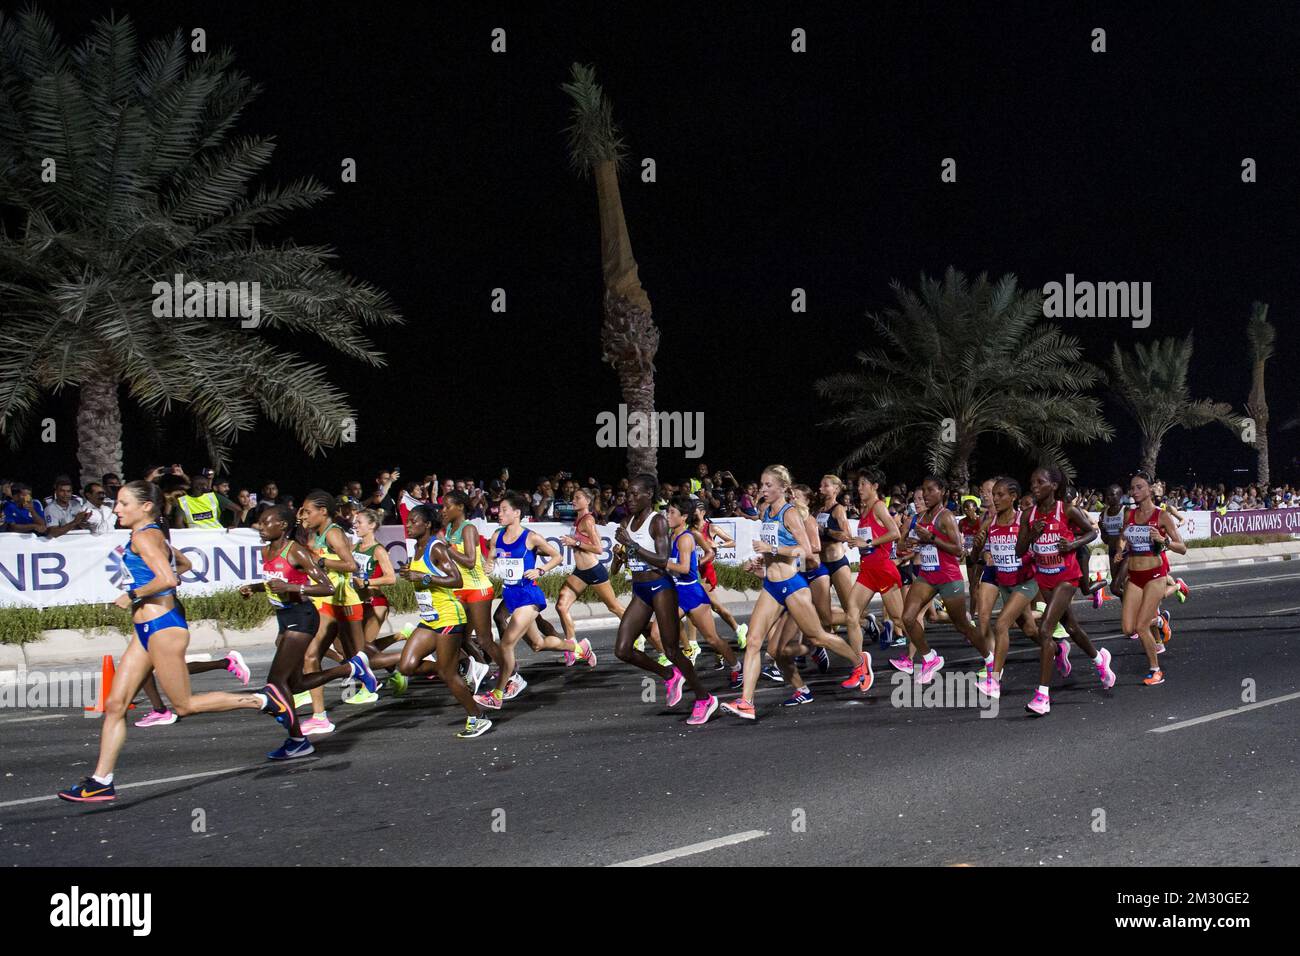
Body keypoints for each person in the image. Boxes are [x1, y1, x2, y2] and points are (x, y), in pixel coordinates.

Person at [57, 482, 306, 802]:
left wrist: (133, 594)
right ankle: (101, 781)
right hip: (145, 631)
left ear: (146, 506)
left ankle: (263, 700)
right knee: (116, 705)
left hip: (163, 628)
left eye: (123, 503)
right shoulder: (152, 535)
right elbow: (182, 565)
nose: (116, 509)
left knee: (183, 705)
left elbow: (170, 578)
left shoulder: (145, 536)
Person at [722, 466, 869, 720]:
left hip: (793, 585)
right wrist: (760, 561)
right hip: (772, 585)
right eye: (761, 484)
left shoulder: (790, 514)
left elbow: (806, 551)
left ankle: (859, 662)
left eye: (768, 485)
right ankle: (747, 702)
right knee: (755, 642)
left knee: (818, 636)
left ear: (782, 488)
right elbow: (772, 550)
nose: (763, 489)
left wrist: (774, 548)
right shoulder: (765, 511)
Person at [235, 505, 364, 758]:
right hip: (284, 619)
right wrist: (255, 587)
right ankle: (350, 669)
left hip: (302, 618)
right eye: (259, 523)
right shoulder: (266, 551)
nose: (260, 527)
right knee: (294, 683)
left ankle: (297, 739)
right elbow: (276, 583)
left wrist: (295, 589)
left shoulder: (295, 551)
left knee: (276, 683)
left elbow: (326, 587)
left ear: (282, 526)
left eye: (265, 523)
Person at [369, 505, 493, 738]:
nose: (408, 525)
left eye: (413, 522)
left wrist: (422, 577)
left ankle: (478, 718)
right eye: (408, 521)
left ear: (427, 525)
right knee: (407, 666)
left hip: (448, 616)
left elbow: (456, 580)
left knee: (447, 676)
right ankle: (464, 665)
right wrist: (411, 573)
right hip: (429, 618)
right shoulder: (417, 547)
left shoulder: (436, 547)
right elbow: (423, 577)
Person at [610, 475, 717, 724]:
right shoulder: (627, 522)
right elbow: (616, 569)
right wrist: (619, 554)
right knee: (622, 650)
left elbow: (662, 559)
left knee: (671, 649)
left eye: (636, 494)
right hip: (640, 590)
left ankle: (705, 699)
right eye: (628, 494)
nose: (630, 498)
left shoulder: (656, 521)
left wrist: (631, 545)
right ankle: (669, 675)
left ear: (649, 495)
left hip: (660, 587)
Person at [475, 493, 593, 710]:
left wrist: (540, 569)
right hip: (511, 596)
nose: (498, 513)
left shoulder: (531, 537)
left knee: (507, 642)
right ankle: (578, 648)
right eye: (498, 510)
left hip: (529, 597)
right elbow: (491, 559)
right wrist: (489, 566)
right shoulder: (497, 536)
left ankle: (498, 693)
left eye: (503, 510)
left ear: (517, 513)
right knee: (538, 644)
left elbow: (556, 556)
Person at [1017, 466, 1117, 716]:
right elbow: (1019, 551)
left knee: (1045, 630)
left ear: (1053, 485)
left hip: (1066, 577)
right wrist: (1031, 534)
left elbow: (1092, 532)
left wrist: (1072, 543)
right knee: (1071, 627)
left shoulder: (1067, 510)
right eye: (1032, 482)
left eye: (1040, 482)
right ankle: (1099, 659)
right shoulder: (1028, 515)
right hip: (1045, 578)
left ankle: (1042, 695)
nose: (1034, 486)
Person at [889, 476, 991, 684]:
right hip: (927, 575)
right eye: (923, 491)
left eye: (930, 490)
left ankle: (989, 659)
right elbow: (904, 547)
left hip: (947, 577)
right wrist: (910, 543)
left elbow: (958, 550)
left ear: (942, 492)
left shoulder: (946, 517)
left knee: (962, 625)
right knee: (908, 618)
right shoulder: (920, 517)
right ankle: (930, 658)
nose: (926, 495)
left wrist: (931, 538)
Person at [297, 490, 366, 734]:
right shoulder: (316, 533)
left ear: (323, 511)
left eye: (308, 511)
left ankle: (320, 715)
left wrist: (323, 563)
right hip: (324, 600)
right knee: (324, 652)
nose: (304, 515)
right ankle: (318, 707)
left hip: (338, 600)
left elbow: (351, 565)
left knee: (358, 654)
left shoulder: (333, 532)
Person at [974, 477, 1047, 700]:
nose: (995, 499)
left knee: (1002, 624)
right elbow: (976, 557)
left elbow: (1036, 548)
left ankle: (994, 680)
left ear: (1013, 497)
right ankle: (1055, 648)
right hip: (1005, 582)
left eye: (1000, 495)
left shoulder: (1023, 520)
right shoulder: (989, 524)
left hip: (1025, 580)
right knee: (1029, 629)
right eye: (993, 495)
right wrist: (978, 549)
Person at [665, 496, 741, 688]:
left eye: (671, 512)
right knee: (661, 633)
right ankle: (684, 661)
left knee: (712, 639)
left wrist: (695, 563)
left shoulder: (690, 536)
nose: (667, 515)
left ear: (683, 516)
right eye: (667, 511)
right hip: (676, 591)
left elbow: (708, 553)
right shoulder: (669, 535)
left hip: (692, 592)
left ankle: (736, 667)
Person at [1120, 472, 1187, 686]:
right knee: (1128, 628)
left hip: (1155, 576)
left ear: (1150, 489)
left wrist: (1163, 541)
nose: (1135, 492)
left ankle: (1155, 670)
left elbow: (1182, 548)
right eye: (1132, 488)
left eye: (1139, 487)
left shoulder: (1162, 516)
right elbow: (1124, 537)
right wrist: (1121, 550)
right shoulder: (1128, 514)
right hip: (1134, 576)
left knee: (1141, 627)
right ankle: (1159, 620)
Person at [843, 467, 906, 672]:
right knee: (851, 615)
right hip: (867, 570)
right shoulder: (864, 510)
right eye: (858, 484)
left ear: (875, 487)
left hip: (882, 568)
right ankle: (859, 666)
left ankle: (926, 655)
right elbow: (867, 540)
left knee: (900, 620)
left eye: (863, 484)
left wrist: (867, 542)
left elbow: (895, 533)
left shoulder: (879, 506)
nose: (859, 488)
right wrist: (857, 543)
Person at [556, 486, 622, 657]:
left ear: (587, 501)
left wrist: (575, 543)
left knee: (614, 607)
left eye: (578, 498)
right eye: (573, 498)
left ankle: (642, 631)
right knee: (561, 606)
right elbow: (595, 539)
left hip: (593, 571)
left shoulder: (588, 520)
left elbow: (598, 549)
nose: (573, 500)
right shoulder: (579, 520)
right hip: (580, 572)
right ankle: (575, 648)